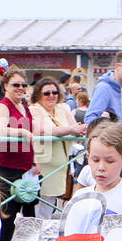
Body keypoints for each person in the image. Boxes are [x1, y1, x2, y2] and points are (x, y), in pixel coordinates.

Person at [0, 67, 37, 241]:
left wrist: (36, 162)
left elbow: (34, 134)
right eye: (15, 84)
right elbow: (0, 129)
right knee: (7, 210)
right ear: (5, 86)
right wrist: (22, 132)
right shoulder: (3, 105)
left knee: (29, 207)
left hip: (26, 166)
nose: (20, 88)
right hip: (7, 165)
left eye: (23, 85)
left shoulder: (24, 107)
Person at [31, 77, 85, 220]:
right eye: (47, 93)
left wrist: (76, 129)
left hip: (61, 163)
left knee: (50, 204)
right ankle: (38, 238)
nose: (51, 96)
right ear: (38, 94)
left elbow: (76, 130)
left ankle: (44, 236)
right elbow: (42, 130)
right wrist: (70, 129)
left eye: (54, 92)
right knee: (39, 204)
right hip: (41, 164)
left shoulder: (63, 108)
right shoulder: (34, 109)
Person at [84, 51, 122, 124]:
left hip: (121, 134)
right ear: (116, 66)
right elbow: (90, 119)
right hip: (106, 134)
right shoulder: (103, 88)